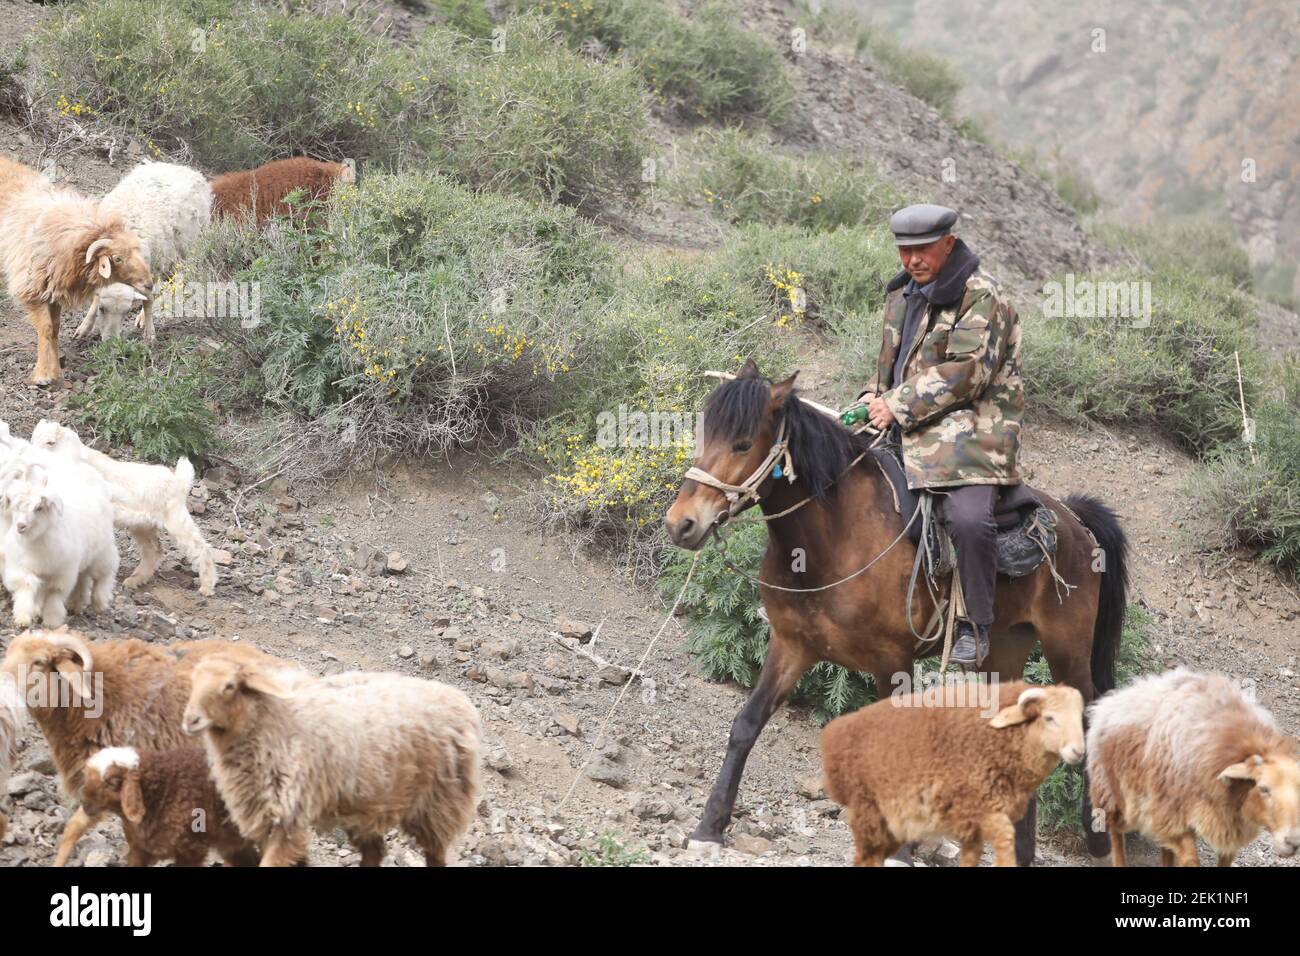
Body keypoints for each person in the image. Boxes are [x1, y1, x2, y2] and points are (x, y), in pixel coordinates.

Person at [845, 204, 1025, 667]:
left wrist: (896, 405)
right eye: (905, 251)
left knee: (968, 518)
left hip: (971, 435)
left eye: (922, 249)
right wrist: (871, 397)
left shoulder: (983, 295)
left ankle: (975, 624)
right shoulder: (903, 294)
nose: (912, 260)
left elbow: (966, 374)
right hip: (904, 425)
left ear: (948, 243)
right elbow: (890, 367)